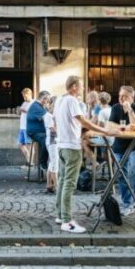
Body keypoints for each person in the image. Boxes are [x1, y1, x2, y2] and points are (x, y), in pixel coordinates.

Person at [54, 76, 113, 233]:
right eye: (80, 86)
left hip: (61, 145)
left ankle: (60, 214)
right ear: (73, 87)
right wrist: (104, 130)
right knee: (69, 183)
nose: (82, 89)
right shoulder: (72, 101)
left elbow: (61, 123)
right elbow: (83, 121)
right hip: (72, 147)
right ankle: (67, 221)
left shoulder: (59, 100)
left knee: (62, 180)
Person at [107, 86, 135, 216]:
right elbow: (110, 125)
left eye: (125, 96)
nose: (121, 98)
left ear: (132, 98)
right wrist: (124, 128)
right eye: (120, 95)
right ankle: (127, 203)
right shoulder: (115, 108)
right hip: (119, 146)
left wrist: (130, 111)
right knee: (121, 173)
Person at [26, 90, 51, 174]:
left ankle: (51, 165)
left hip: (39, 131)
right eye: (47, 100)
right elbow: (49, 118)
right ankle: (42, 163)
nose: (47, 102)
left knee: (50, 138)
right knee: (47, 139)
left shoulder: (40, 106)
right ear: (43, 98)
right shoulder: (37, 107)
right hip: (34, 132)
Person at [44, 96, 58, 193]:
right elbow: (53, 129)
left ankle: (49, 184)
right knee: (55, 163)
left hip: (53, 141)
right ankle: (56, 186)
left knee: (52, 163)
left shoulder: (52, 115)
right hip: (52, 141)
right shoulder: (49, 115)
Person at [17, 88, 34, 165]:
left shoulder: (33, 103)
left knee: (29, 145)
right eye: (23, 96)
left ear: (30, 95)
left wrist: (23, 110)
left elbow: (33, 114)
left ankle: (31, 162)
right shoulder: (24, 103)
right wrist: (19, 111)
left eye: (25, 96)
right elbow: (21, 113)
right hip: (22, 127)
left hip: (28, 127)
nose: (24, 97)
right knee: (20, 144)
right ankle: (28, 159)